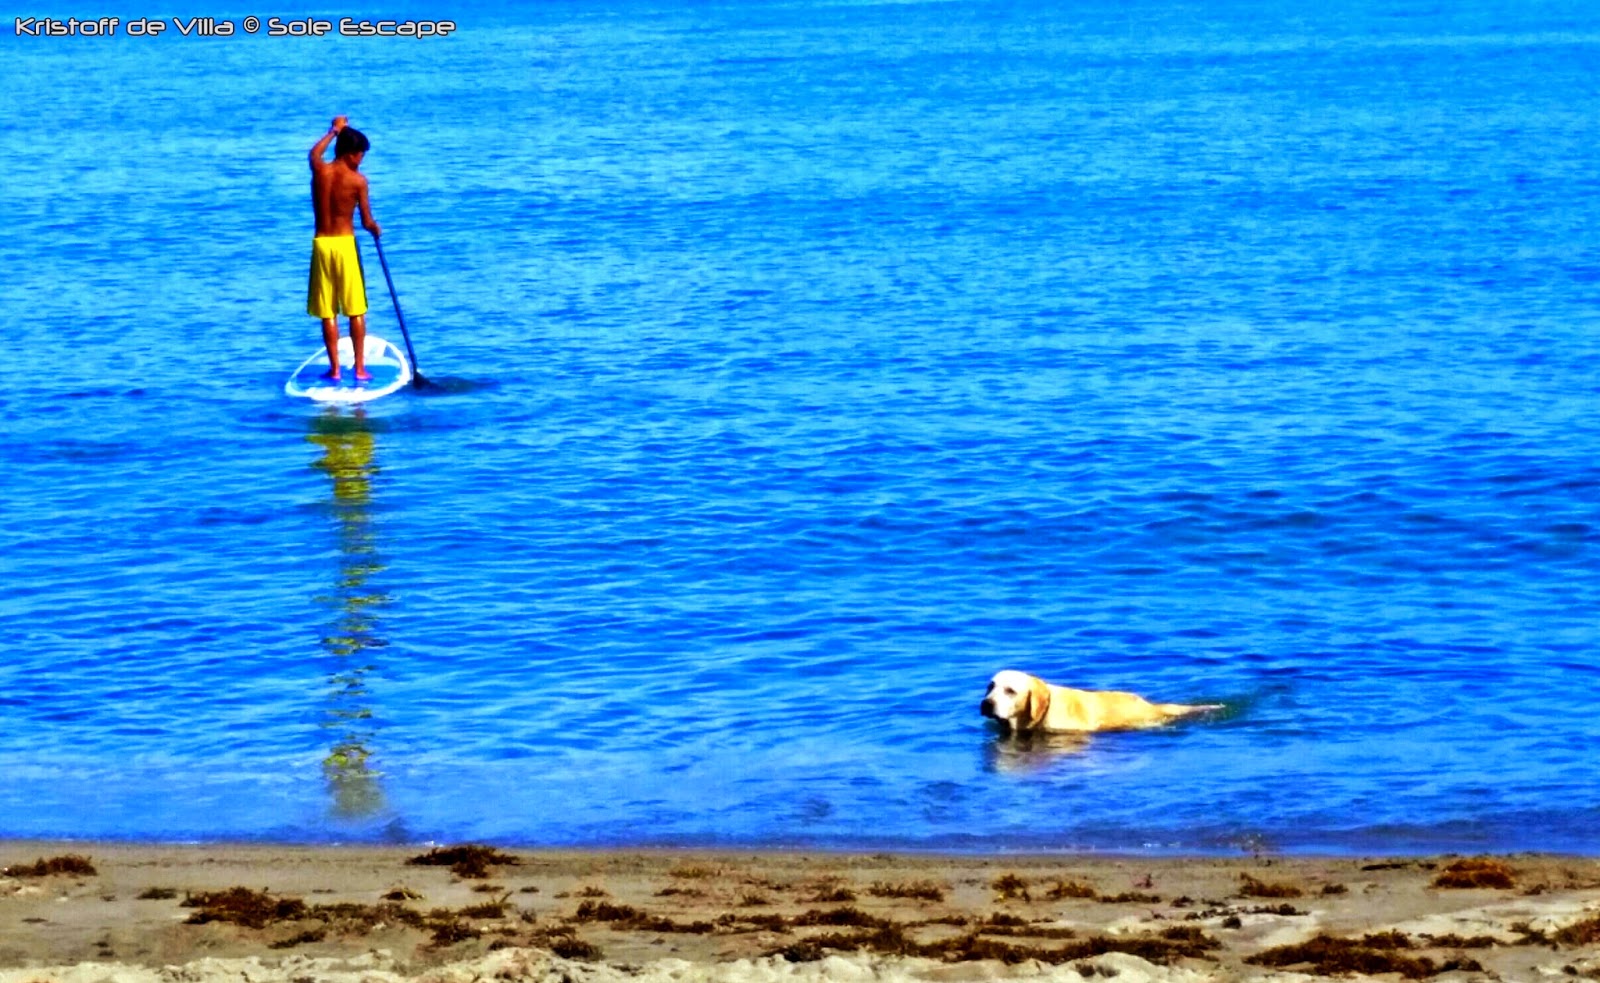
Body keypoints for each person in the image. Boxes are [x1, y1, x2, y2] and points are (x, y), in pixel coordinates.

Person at [307, 116, 382, 381]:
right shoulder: (357, 181)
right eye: (361, 155)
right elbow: (366, 221)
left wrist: (334, 131)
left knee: (327, 311)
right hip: (345, 247)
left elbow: (313, 153)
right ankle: (359, 369)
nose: (361, 160)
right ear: (351, 154)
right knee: (356, 309)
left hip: (321, 246)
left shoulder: (320, 171)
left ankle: (336, 370)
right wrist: (375, 228)